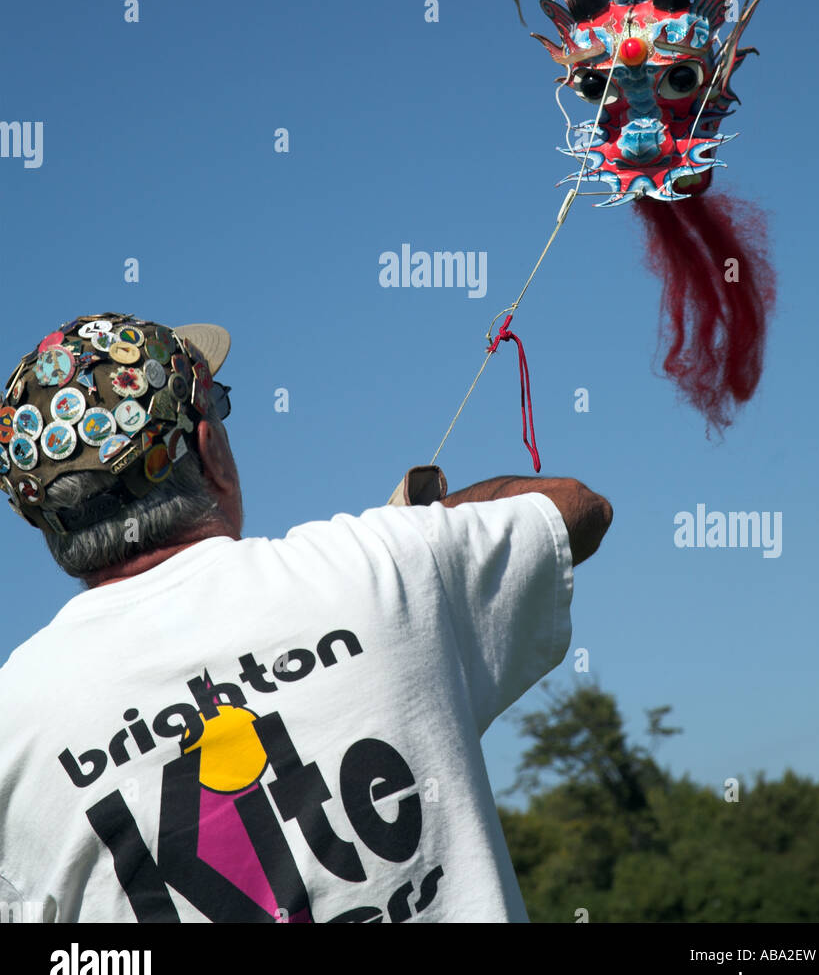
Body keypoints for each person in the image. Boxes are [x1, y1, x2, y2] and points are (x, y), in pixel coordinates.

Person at [0, 312, 612, 924]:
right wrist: (426, 525)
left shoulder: (14, 722)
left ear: (49, 526)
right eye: (223, 413)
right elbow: (575, 510)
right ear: (211, 455)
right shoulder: (380, 566)